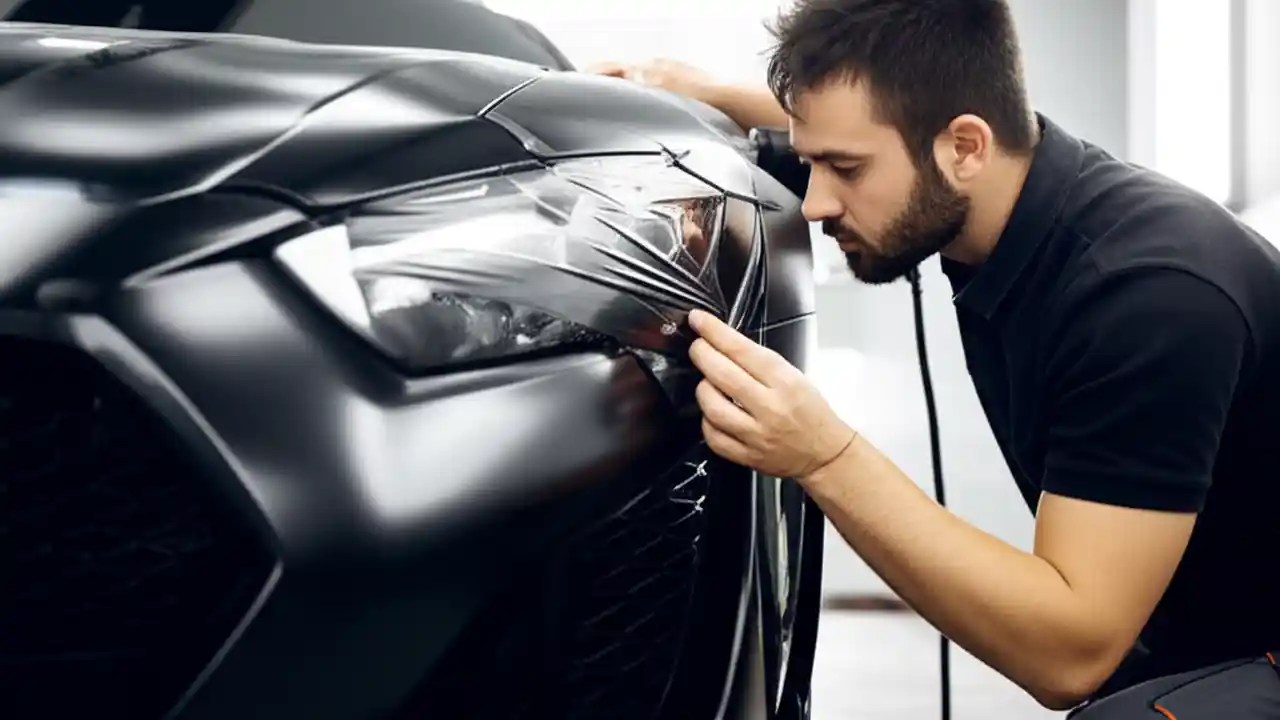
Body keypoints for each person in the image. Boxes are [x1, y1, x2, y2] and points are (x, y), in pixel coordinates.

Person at [594, 0, 1280, 715]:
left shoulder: (1148, 295)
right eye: (810, 162)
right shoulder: (989, 174)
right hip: (1202, 637)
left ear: (965, 148)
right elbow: (894, 122)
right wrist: (702, 91)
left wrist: (824, 457)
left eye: (844, 169)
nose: (815, 203)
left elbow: (1070, 652)